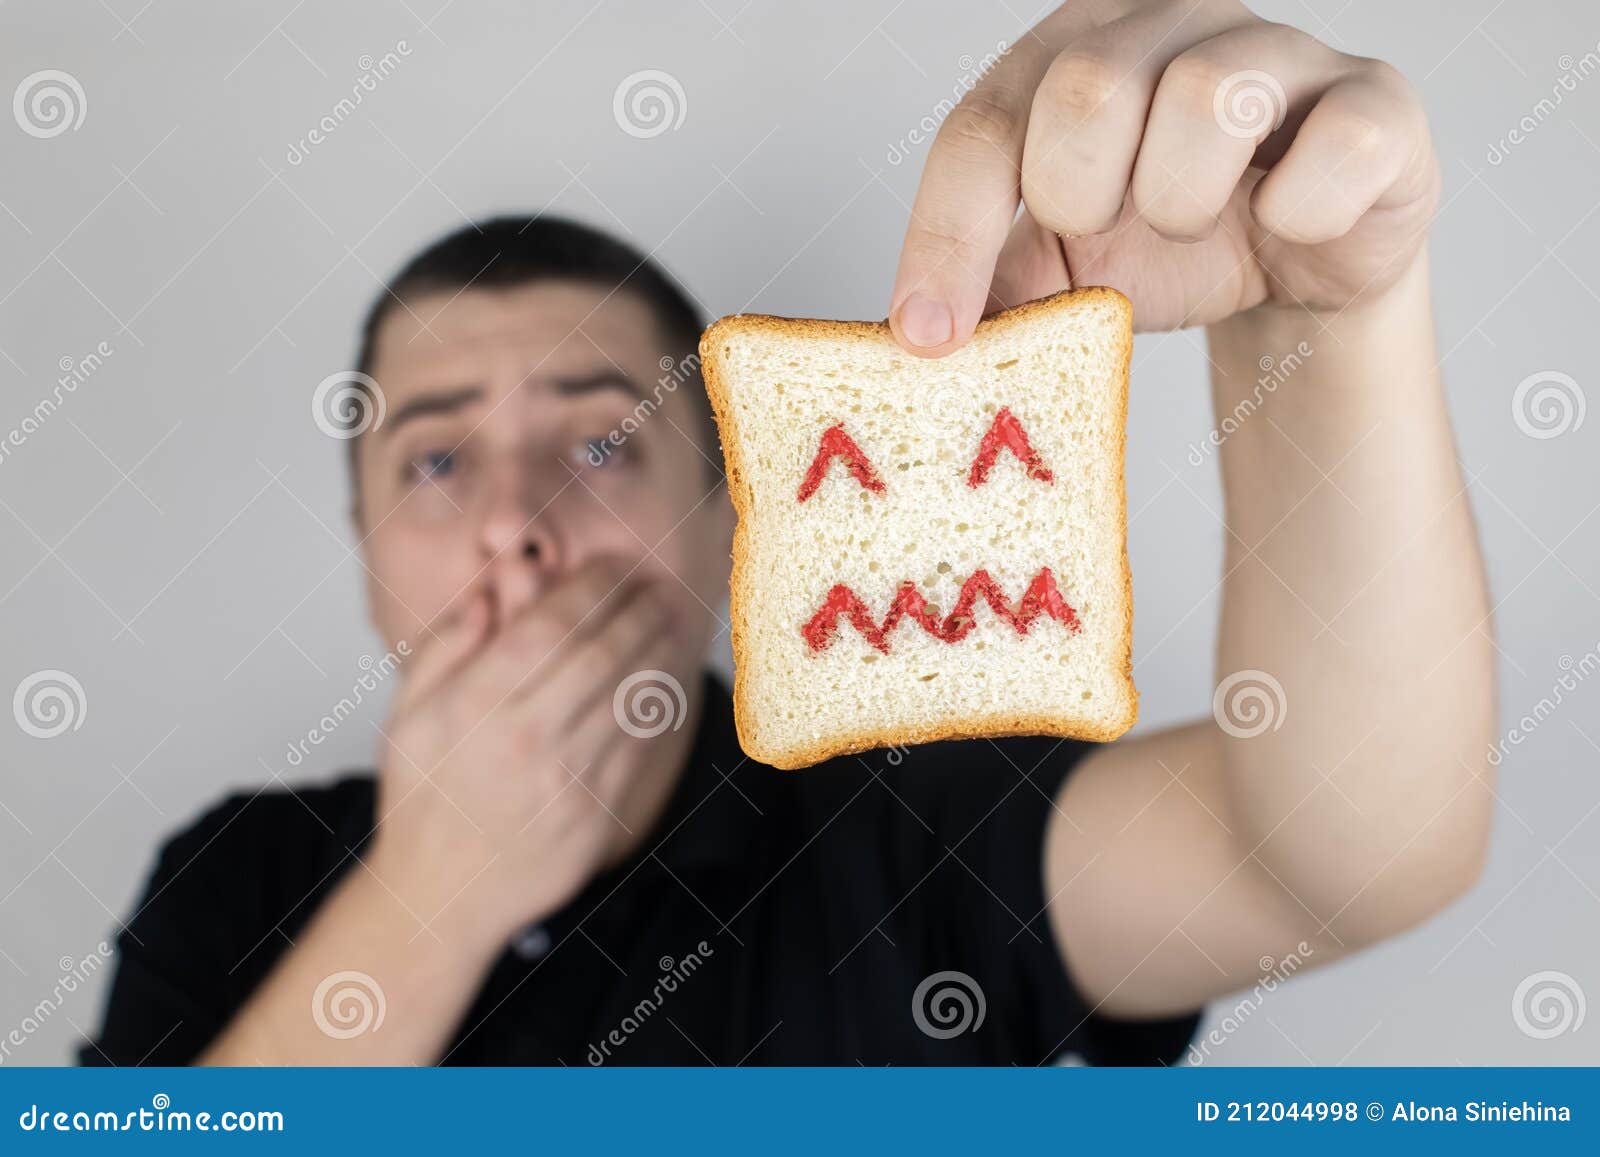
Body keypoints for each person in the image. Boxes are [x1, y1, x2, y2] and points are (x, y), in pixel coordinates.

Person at [81, 0, 1493, 1066]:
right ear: (366, 544)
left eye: (599, 443)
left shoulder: (903, 830)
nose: (517, 523)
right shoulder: (234, 877)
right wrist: (439, 889)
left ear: (730, 522)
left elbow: (1329, 855)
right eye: (438, 457)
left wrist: (1324, 322)